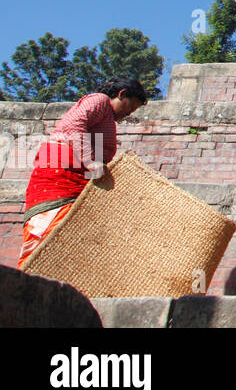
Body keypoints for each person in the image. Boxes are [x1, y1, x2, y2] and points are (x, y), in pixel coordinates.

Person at [18, 79, 148, 268]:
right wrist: (91, 162)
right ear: (121, 94)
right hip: (61, 174)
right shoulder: (99, 101)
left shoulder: (108, 117)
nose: (129, 114)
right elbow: (74, 126)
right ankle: (30, 274)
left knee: (69, 237)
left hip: (77, 177)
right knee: (51, 230)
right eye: (130, 108)